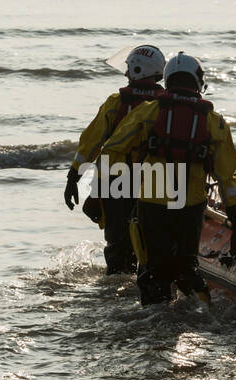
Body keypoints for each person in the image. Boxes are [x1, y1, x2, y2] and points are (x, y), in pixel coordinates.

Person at [101, 53, 236, 305]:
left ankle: (155, 327)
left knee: (153, 270)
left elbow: (113, 148)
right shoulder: (214, 122)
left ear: (167, 80)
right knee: (187, 267)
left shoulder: (149, 112)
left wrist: (116, 189)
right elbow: (227, 179)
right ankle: (198, 317)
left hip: (152, 200)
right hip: (190, 206)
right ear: (198, 82)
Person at [64, 45, 166, 274]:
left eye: (129, 68)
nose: (127, 73)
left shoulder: (116, 102)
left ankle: (116, 288)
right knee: (150, 237)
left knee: (118, 242)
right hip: (154, 181)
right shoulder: (166, 106)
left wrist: (74, 177)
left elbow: (90, 142)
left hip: (115, 180)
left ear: (139, 70)